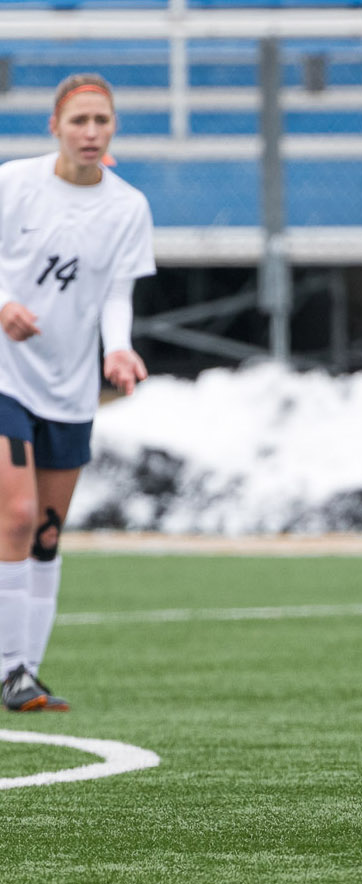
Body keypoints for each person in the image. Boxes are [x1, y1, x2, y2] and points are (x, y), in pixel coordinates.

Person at [0, 73, 154, 711]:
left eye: (102, 121)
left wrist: (116, 348)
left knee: (49, 532)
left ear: (114, 127)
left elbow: (116, 293)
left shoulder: (127, 207)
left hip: (68, 386)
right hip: (6, 374)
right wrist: (4, 305)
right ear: (55, 128)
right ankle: (9, 670)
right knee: (15, 515)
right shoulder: (15, 184)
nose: (91, 133)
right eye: (78, 121)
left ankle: (26, 673)